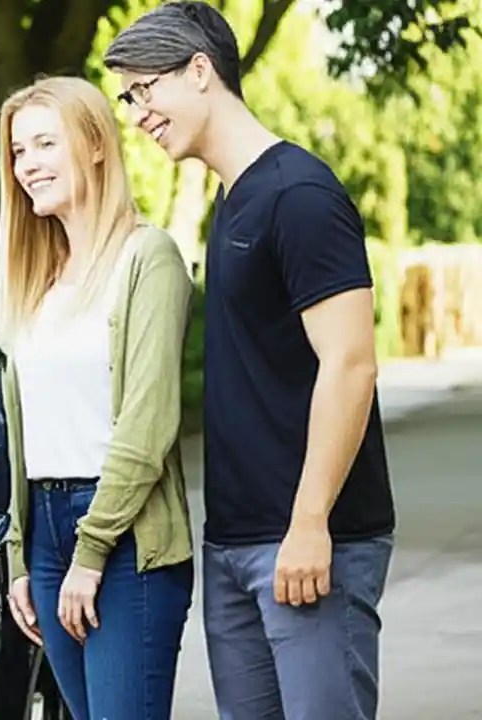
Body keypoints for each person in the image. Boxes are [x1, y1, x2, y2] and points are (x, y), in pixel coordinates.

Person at [103, 3, 397, 719]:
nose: (139, 113)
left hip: (309, 542)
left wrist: (308, 522)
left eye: (145, 90)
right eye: (129, 97)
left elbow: (351, 364)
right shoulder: (229, 201)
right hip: (235, 543)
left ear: (200, 71)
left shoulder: (299, 195)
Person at [0, 75, 196, 720]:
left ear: (96, 144)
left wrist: (92, 553)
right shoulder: (36, 283)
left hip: (125, 538)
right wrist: (21, 556)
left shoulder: (148, 257)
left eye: (45, 144)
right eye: (19, 151)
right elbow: (23, 435)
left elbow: (149, 420)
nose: (28, 165)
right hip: (50, 534)